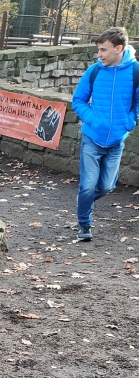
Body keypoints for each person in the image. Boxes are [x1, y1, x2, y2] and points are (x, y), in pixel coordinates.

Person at [71, 26, 139, 242]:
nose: (98, 54)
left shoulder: (136, 72)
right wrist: (94, 120)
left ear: (119, 48)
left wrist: (130, 121)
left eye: (103, 49)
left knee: (107, 186)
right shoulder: (95, 71)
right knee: (88, 185)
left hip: (117, 142)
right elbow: (78, 101)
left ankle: (84, 200)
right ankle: (84, 224)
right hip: (92, 138)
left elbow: (138, 104)